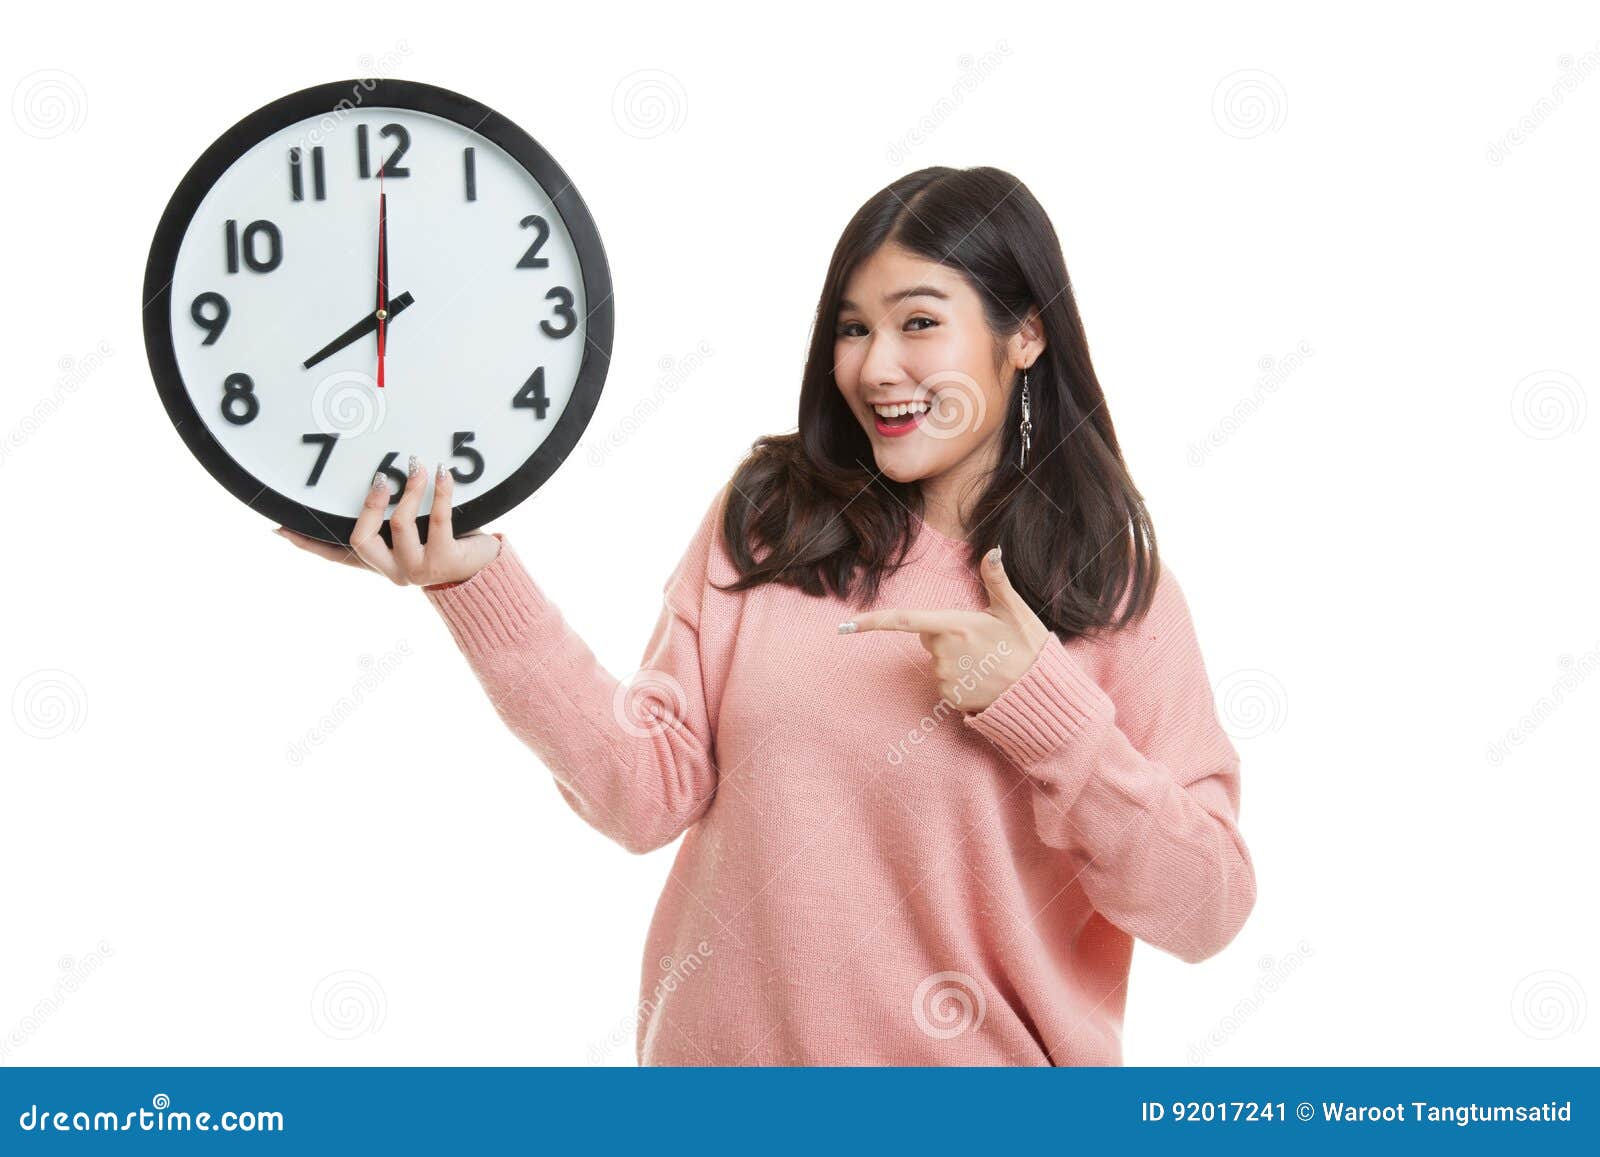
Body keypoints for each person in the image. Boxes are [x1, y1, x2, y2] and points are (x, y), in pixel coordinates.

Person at [276, 165, 1257, 1065]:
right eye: (851, 326)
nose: (874, 367)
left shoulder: (1113, 593)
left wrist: (1045, 711)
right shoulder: (769, 518)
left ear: (1025, 332)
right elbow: (643, 791)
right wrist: (469, 577)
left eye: (919, 323)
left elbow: (1205, 907)